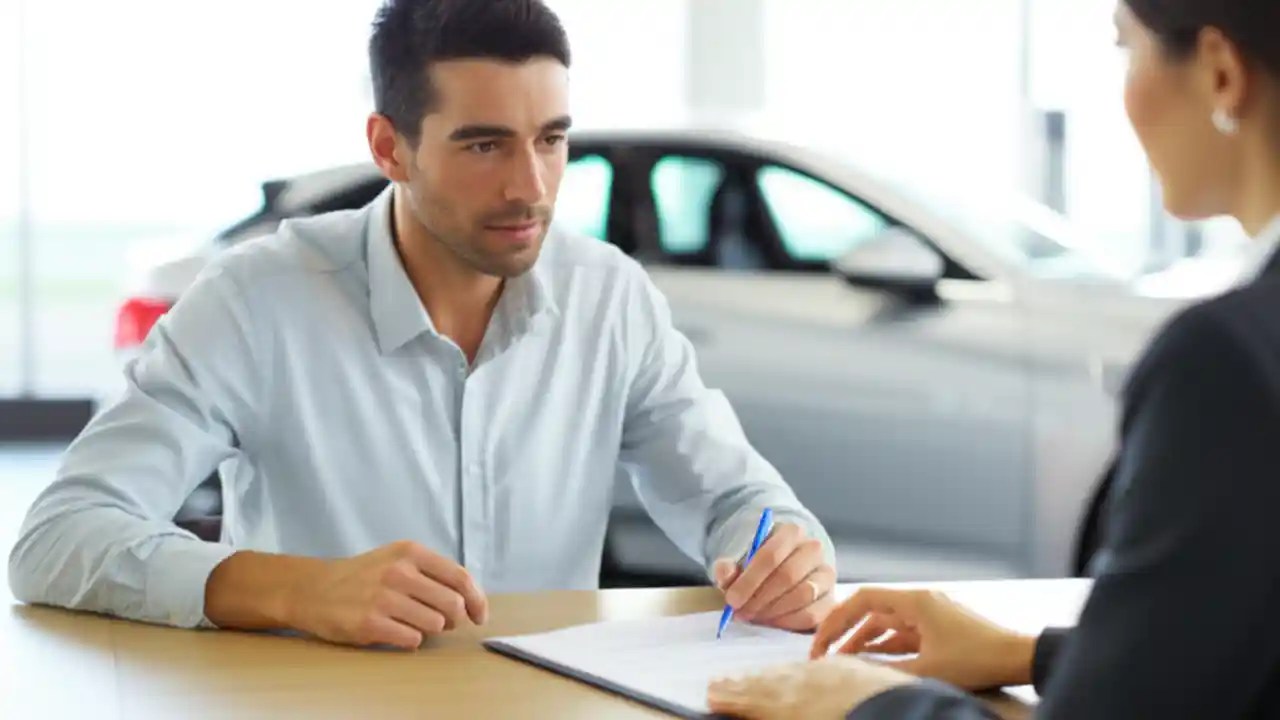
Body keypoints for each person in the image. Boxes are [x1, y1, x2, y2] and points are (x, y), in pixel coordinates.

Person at [7, 0, 837, 650]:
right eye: (484, 147)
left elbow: (734, 496)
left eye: (551, 140)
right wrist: (300, 589)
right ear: (388, 147)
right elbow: (56, 540)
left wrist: (784, 551)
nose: (531, 187)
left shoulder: (609, 297)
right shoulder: (256, 300)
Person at [706, 0, 1280, 717]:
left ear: (1222, 73)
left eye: (1123, 49)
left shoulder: (1223, 360)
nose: (1123, 93)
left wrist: (871, 703)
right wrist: (1026, 653)